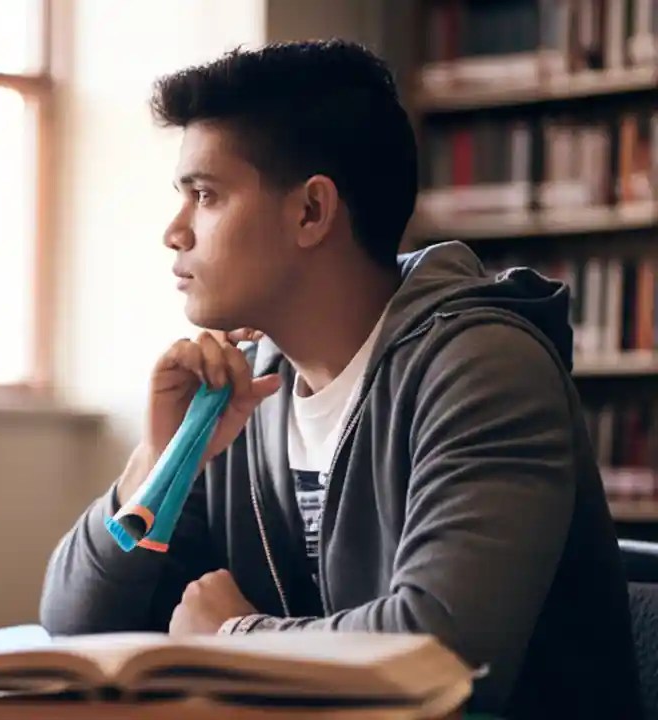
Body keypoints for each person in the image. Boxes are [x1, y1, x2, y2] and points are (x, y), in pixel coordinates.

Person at [39, 39, 641, 719]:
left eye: (205, 196)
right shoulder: (248, 395)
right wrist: (157, 463)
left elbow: (447, 656)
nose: (174, 232)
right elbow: (75, 624)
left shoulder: (484, 369)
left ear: (311, 212)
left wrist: (237, 638)